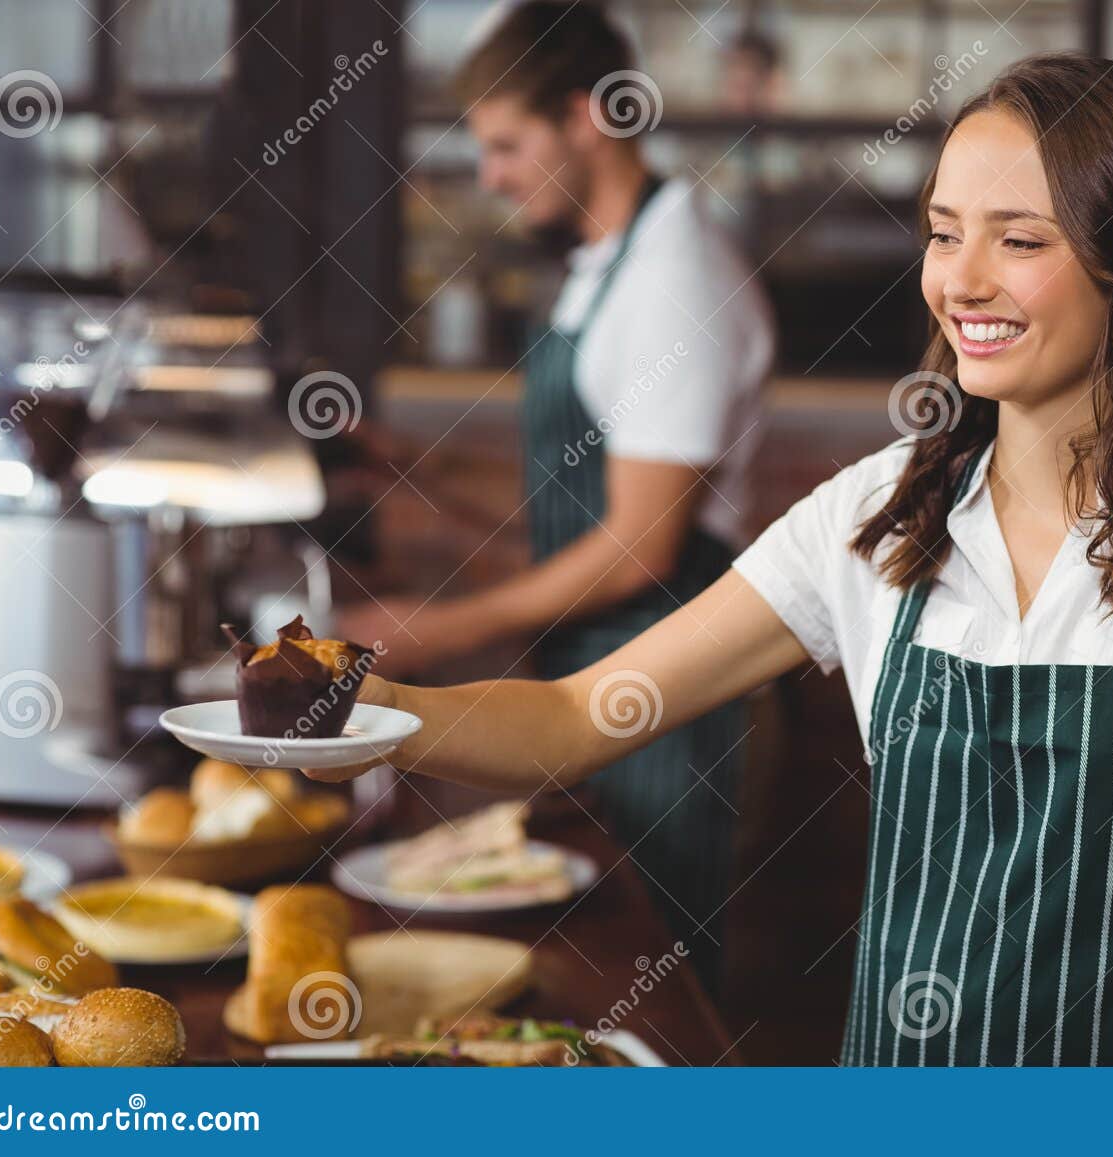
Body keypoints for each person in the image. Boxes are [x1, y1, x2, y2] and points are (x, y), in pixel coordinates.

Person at [318, 53, 1113, 1066]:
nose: (960, 281)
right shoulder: (877, 516)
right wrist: (358, 714)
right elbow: (578, 716)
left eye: (1019, 241)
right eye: (942, 233)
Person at [340, 1, 775, 990]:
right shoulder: (599, 265)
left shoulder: (673, 278)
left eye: (505, 144)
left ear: (586, 118)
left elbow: (640, 543)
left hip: (669, 693)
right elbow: (574, 499)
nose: (489, 176)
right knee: (573, 973)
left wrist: (435, 631)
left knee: (647, 982)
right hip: (587, 679)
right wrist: (423, 469)